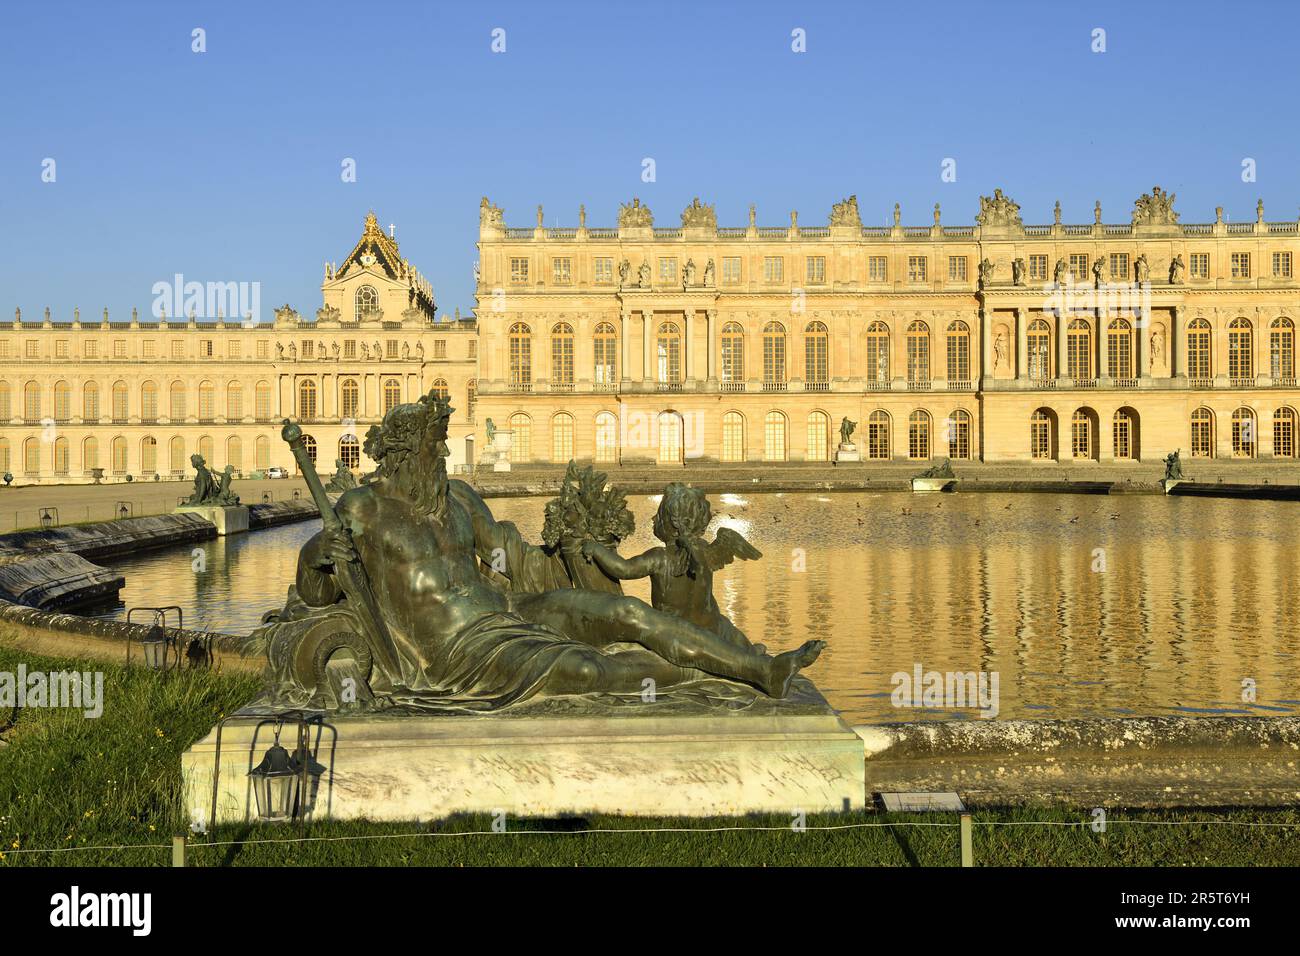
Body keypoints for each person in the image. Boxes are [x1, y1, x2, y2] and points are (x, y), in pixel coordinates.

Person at [287, 395, 823, 709]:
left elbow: (514, 556)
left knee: (627, 612)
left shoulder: (457, 497)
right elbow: (317, 594)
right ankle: (707, 673)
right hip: (457, 651)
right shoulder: (362, 510)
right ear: (405, 452)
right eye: (436, 444)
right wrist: (316, 554)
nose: (446, 451)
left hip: (510, 612)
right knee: (585, 672)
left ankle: (760, 670)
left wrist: (577, 551)